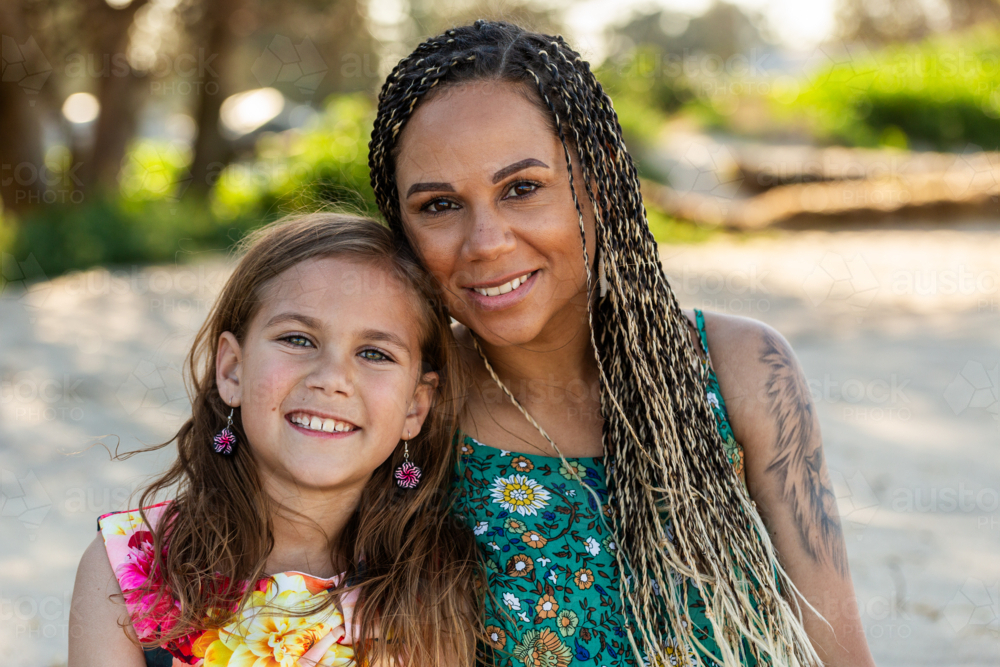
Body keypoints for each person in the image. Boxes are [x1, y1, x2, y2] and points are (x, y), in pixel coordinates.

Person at [367, 19, 878, 667]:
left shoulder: (741, 367)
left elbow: (839, 644)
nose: (486, 241)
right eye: (439, 205)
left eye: (522, 188)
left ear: (601, 180)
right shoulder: (409, 411)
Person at [68, 214, 481, 667]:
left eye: (374, 353)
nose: (332, 380)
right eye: (298, 339)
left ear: (415, 407)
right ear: (232, 370)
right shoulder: (128, 567)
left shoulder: (434, 586)